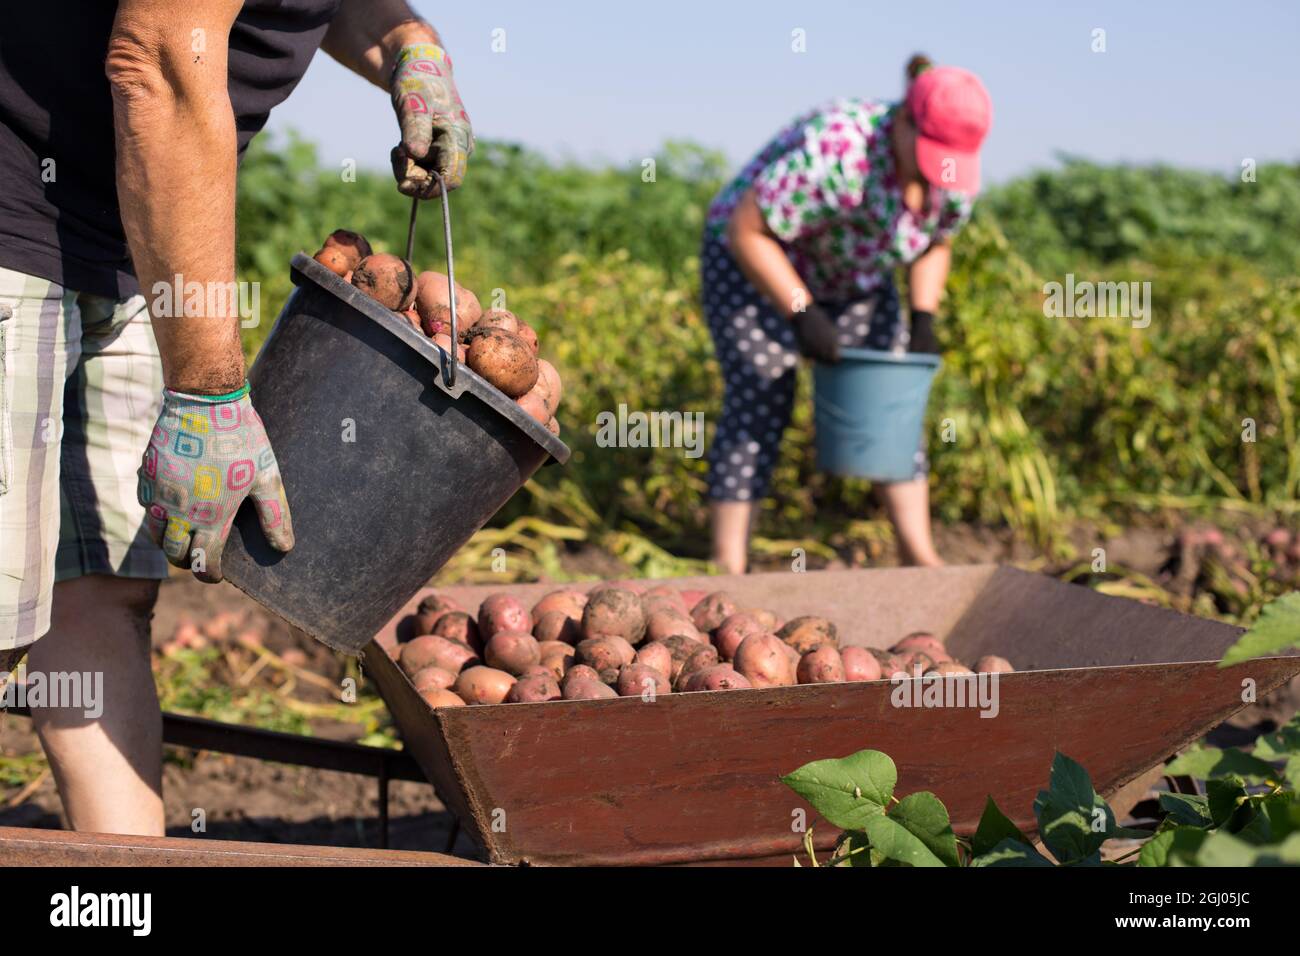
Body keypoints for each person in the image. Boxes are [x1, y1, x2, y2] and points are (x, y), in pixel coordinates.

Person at [0, 0, 473, 835]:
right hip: (13, 213)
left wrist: (406, 43)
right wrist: (210, 390)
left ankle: (127, 893)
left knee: (104, 594)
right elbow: (158, 61)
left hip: (131, 239)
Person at [700, 54, 991, 573]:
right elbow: (747, 230)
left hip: (854, 273)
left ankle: (918, 556)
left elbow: (935, 241)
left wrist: (924, 315)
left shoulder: (953, 177)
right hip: (757, 258)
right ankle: (728, 562)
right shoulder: (838, 153)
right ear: (903, 121)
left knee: (894, 395)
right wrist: (801, 312)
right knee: (761, 388)